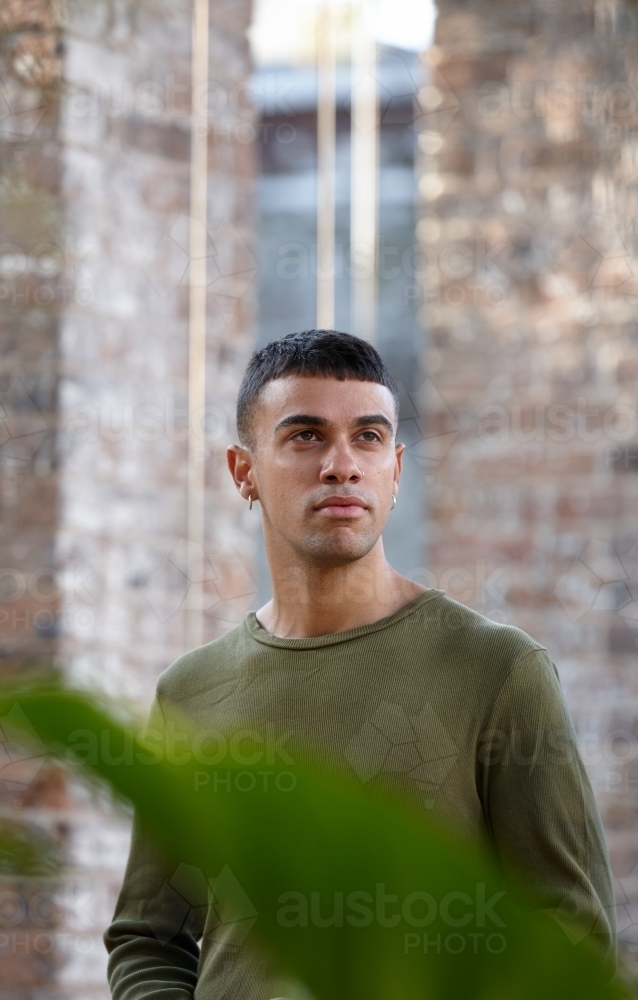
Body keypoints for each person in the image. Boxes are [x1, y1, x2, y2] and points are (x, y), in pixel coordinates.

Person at [105, 329, 616, 999]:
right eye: (306, 436)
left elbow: (570, 936)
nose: (340, 465)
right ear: (243, 471)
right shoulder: (190, 691)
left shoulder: (498, 671)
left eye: (367, 438)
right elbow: (149, 937)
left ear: (395, 470)